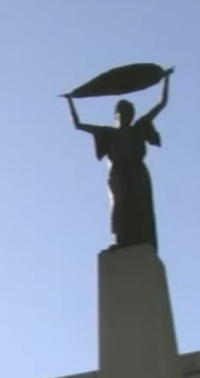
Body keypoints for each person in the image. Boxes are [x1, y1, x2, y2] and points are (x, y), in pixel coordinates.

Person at [68, 68, 172, 251]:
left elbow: (161, 104)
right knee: (120, 205)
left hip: (136, 170)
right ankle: (120, 239)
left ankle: (141, 240)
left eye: (128, 113)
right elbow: (78, 125)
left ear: (131, 115)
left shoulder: (138, 127)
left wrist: (165, 80)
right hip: (118, 171)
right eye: (121, 113)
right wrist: (70, 101)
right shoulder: (107, 133)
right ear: (116, 116)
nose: (124, 116)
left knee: (140, 205)